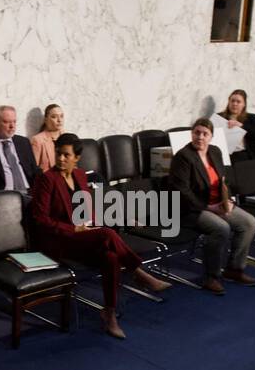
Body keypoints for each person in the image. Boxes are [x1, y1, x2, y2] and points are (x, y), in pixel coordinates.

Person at [29, 133, 171, 338]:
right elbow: (40, 220)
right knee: (107, 233)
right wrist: (75, 229)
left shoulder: (79, 175)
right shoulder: (47, 179)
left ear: (76, 158)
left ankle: (109, 314)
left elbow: (89, 208)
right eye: (58, 154)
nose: (60, 159)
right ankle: (138, 272)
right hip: (60, 240)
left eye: (66, 155)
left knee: (111, 257)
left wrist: (92, 224)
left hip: (84, 237)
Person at [168, 118, 255, 295]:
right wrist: (210, 208)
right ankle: (212, 277)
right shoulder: (183, 157)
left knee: (249, 222)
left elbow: (224, 181)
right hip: (193, 208)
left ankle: (235, 269)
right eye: (197, 133)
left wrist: (229, 200)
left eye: (205, 134)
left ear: (211, 137)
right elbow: (182, 191)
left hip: (219, 203)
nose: (200, 137)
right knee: (221, 228)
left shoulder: (215, 152)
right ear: (191, 134)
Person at [218, 88, 255, 158]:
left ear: (244, 104)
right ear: (228, 102)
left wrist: (242, 126)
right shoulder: (219, 117)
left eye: (238, 102)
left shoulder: (252, 117)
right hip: (226, 155)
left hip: (246, 154)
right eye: (232, 101)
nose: (234, 104)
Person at [30, 103, 64, 172]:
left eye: (61, 116)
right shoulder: (37, 140)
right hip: (48, 180)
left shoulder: (67, 137)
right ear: (46, 120)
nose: (59, 120)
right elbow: (33, 169)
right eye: (54, 117)